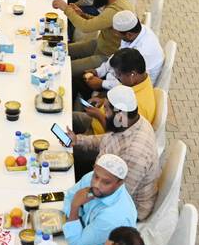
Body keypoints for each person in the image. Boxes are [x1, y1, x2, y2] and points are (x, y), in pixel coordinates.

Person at [68, 85, 159, 220]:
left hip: (122, 208)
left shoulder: (135, 153)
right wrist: (77, 140)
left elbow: (116, 196)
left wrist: (76, 201)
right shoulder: (128, 122)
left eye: (106, 110)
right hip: (105, 175)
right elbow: (107, 140)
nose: (103, 114)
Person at [56, 0, 135, 79]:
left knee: (66, 69)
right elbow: (102, 21)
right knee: (61, 49)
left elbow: (85, 27)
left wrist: (65, 8)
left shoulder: (115, 10)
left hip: (107, 57)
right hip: (100, 43)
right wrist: (82, 14)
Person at [60, 154, 139, 245]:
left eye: (106, 182)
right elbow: (69, 197)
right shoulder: (94, 177)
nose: (96, 185)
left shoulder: (113, 217)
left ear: (119, 184)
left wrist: (75, 207)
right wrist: (77, 220)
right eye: (96, 176)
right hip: (83, 233)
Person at [86, 12, 163, 93]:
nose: (115, 35)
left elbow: (130, 83)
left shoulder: (142, 52)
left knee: (83, 86)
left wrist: (102, 83)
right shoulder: (135, 32)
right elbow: (117, 56)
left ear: (129, 35)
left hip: (133, 91)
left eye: (117, 33)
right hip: (121, 76)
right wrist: (98, 71)